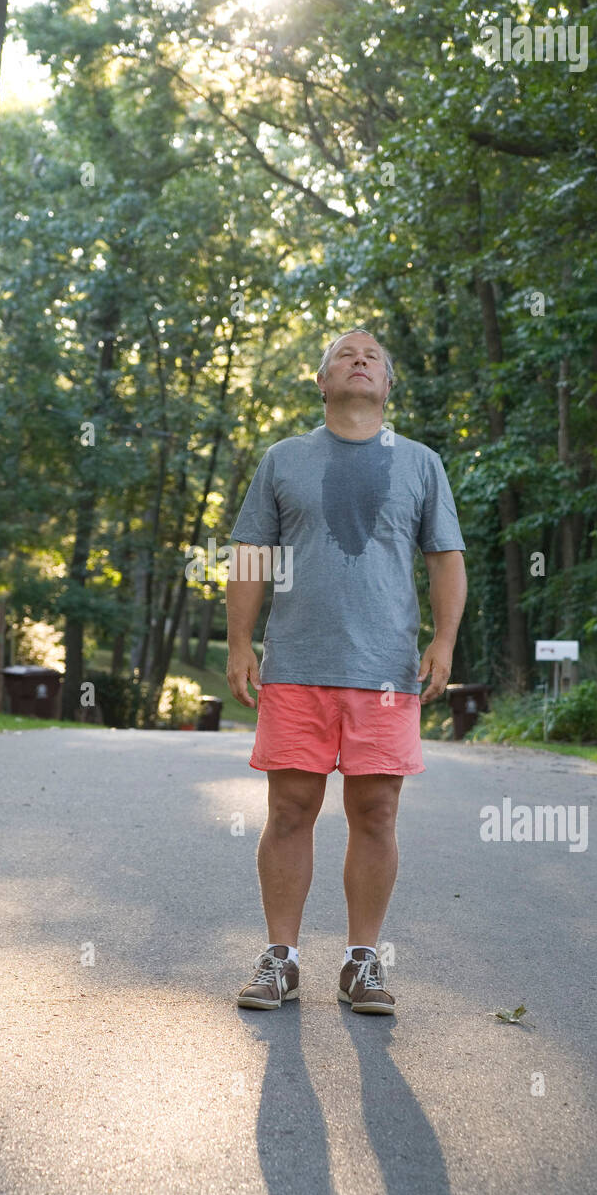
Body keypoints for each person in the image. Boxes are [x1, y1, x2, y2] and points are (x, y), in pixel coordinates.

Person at [226, 328, 467, 1014]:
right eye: (344, 354)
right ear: (323, 381)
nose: (359, 360)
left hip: (386, 671)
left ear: (387, 384)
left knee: (377, 812)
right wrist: (239, 642)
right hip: (297, 664)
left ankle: (363, 962)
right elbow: (250, 554)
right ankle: (281, 958)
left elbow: (446, 558)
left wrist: (444, 641)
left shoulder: (420, 464)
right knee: (291, 809)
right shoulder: (284, 459)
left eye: (373, 357)